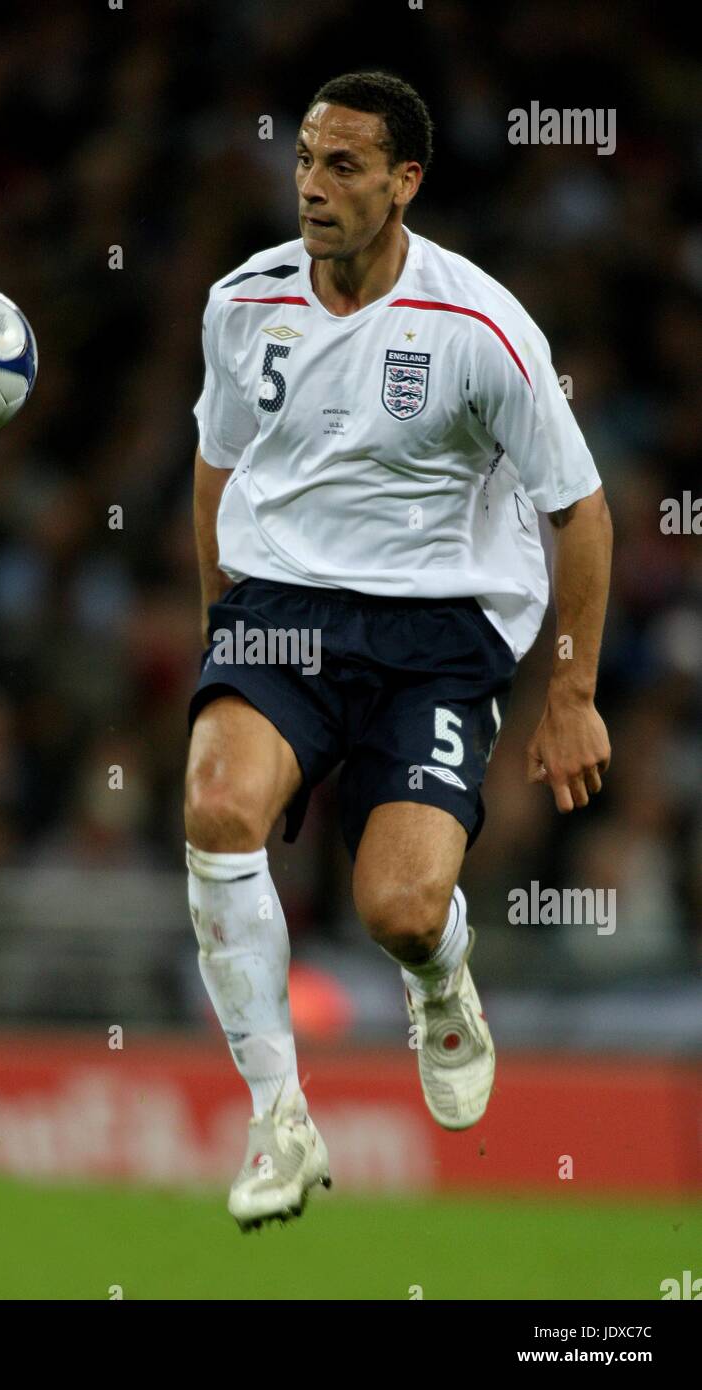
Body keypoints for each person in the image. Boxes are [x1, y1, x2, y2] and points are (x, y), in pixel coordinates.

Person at [184, 70, 612, 1230]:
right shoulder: (242, 302)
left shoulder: (478, 326)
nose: (312, 189)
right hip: (284, 602)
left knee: (400, 908)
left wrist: (567, 691)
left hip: (436, 629)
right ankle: (277, 1115)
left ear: (403, 181)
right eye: (304, 161)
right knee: (217, 806)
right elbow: (217, 465)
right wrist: (222, 629)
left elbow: (578, 510)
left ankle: (439, 979)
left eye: (343, 167)